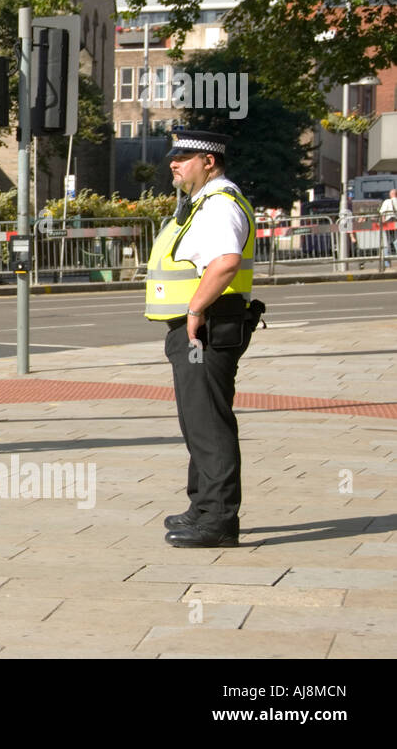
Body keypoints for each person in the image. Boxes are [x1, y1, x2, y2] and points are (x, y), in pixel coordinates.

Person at [145, 131, 265, 548]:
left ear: (209, 162)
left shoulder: (219, 205)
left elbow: (226, 262)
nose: (173, 164)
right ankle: (202, 505)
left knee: (208, 424)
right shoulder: (202, 204)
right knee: (197, 420)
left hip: (208, 326)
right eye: (173, 157)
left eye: (184, 157)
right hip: (201, 327)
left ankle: (217, 520)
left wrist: (195, 310)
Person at [380, 189, 397, 268]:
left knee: (388, 243)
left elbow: (382, 213)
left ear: (390, 195)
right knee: (396, 241)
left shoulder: (387, 202)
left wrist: (383, 222)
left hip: (389, 224)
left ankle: (387, 263)